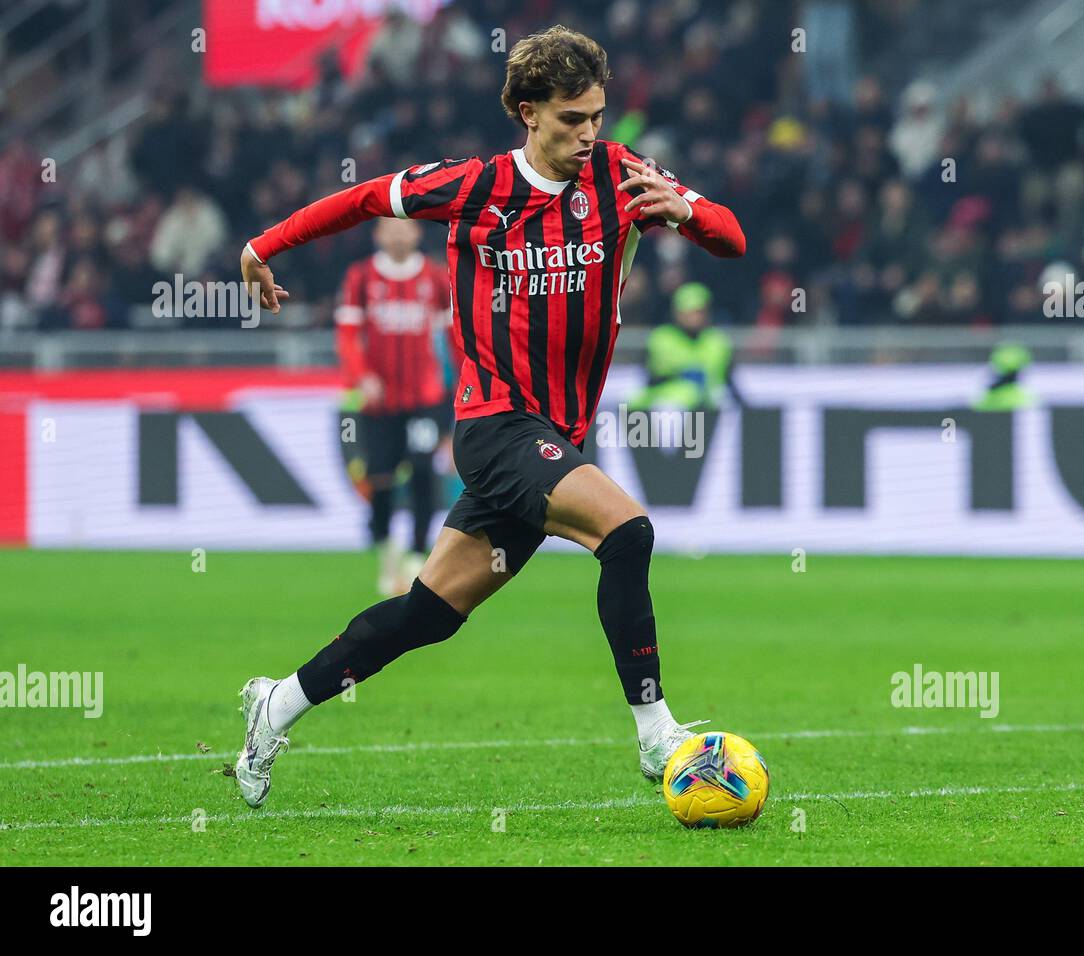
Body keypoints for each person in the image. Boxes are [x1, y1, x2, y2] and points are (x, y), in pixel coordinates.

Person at [233, 25, 746, 808]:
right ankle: (656, 734)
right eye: (571, 120)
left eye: (597, 116)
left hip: (554, 438)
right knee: (629, 532)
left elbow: (734, 240)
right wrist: (264, 245)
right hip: (495, 426)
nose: (588, 134)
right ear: (527, 112)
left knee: (426, 614)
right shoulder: (475, 188)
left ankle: (277, 703)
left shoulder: (623, 176)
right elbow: (367, 197)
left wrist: (687, 211)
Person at [336, 218, 457, 596]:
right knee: (382, 479)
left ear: (417, 233)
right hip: (380, 402)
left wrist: (463, 387)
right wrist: (362, 376)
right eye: (390, 228)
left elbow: (454, 337)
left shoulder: (436, 278)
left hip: (425, 397)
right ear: (378, 236)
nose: (398, 234)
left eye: (405, 228)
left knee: (422, 469)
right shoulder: (361, 277)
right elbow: (348, 336)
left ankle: (417, 556)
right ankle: (388, 553)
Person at [628, 282, 745, 412]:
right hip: (665, 403)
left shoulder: (718, 341)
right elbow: (648, 378)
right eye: (690, 312)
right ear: (677, 313)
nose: (696, 318)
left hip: (709, 403)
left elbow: (729, 381)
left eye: (700, 312)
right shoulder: (661, 338)